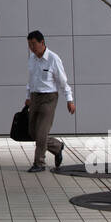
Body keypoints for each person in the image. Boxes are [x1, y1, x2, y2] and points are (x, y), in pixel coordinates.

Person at [24, 30, 75, 172]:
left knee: (41, 133)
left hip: (49, 98)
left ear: (42, 43)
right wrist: (28, 97)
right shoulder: (32, 59)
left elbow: (63, 81)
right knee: (33, 132)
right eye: (29, 45)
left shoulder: (53, 59)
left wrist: (69, 99)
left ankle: (39, 163)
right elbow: (31, 79)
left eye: (34, 44)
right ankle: (57, 147)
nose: (32, 48)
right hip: (35, 97)